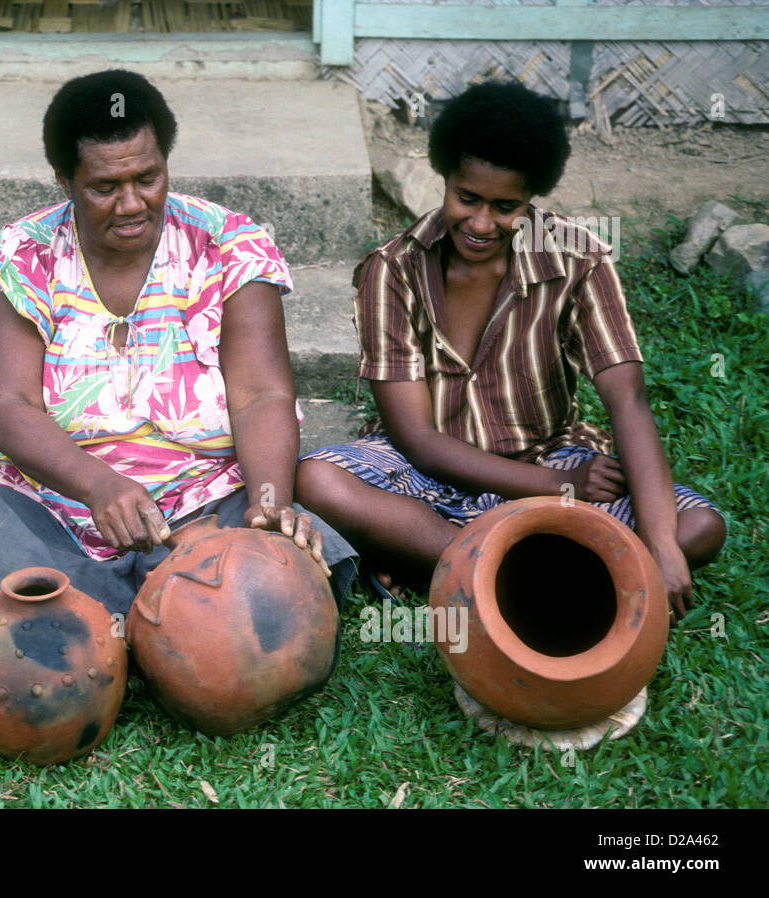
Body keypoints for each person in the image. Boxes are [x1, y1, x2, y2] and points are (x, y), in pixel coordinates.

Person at [0, 69, 358, 623]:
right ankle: (173, 607)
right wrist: (97, 484)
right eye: (104, 187)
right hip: (54, 497)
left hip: (207, 496)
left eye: (148, 178)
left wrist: (270, 506)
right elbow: (7, 408)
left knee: (278, 564)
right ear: (64, 179)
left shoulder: (229, 246)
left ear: (166, 162)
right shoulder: (20, 256)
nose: (130, 205)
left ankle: (97, 613)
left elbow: (262, 394)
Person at [296, 80, 726, 619]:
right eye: (467, 198)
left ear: (531, 197)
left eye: (506, 207)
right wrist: (557, 487)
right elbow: (418, 439)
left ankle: (445, 563)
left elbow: (628, 402)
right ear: (445, 178)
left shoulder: (577, 259)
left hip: (550, 453)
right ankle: (545, 572)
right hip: (427, 473)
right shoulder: (393, 269)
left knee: (697, 527)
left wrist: (663, 543)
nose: (480, 223)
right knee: (315, 480)